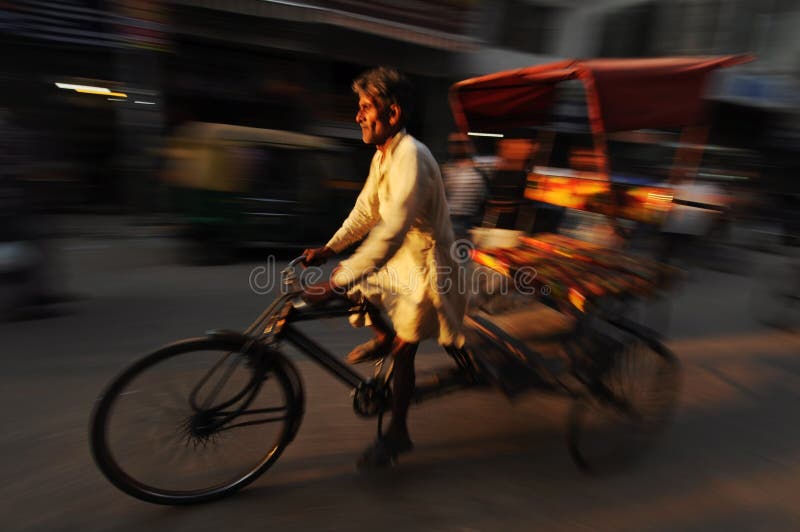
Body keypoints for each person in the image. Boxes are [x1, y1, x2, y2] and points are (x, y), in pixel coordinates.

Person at [301, 66, 467, 468]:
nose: (357, 116)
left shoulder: (411, 157)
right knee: (361, 289)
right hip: (403, 259)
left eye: (364, 107)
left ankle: (398, 435)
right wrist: (330, 248)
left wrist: (336, 280)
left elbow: (390, 231)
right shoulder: (384, 156)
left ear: (391, 114)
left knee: (403, 354)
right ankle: (384, 337)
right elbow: (364, 213)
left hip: (428, 269)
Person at [441, 132, 487, 239]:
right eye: (454, 143)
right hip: (448, 221)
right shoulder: (444, 170)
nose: (458, 147)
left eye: (461, 143)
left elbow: (483, 197)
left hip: (471, 223)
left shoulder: (481, 169)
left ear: (469, 145)